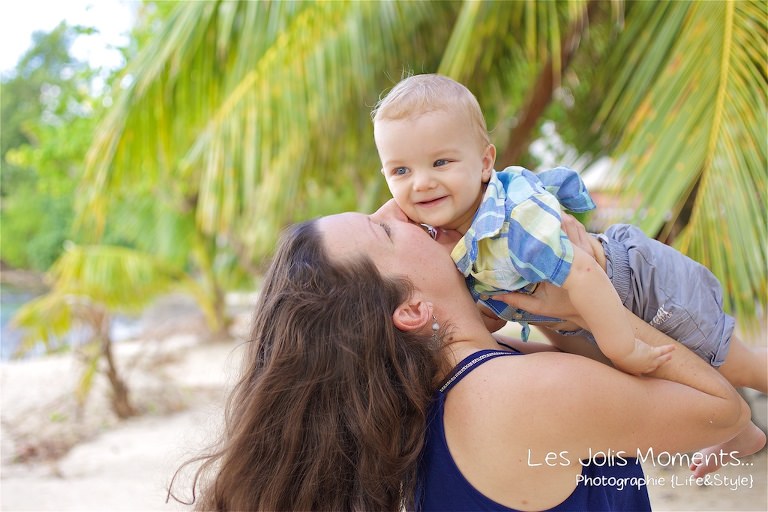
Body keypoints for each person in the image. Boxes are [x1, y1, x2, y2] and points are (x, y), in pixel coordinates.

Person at [169, 199, 750, 511]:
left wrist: (568, 307)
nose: (402, 210)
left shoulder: (462, 382)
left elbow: (605, 388)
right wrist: (590, 307)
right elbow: (723, 411)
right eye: (386, 231)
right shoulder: (514, 397)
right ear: (412, 311)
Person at [371, 74, 766, 474]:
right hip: (591, 315)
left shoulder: (513, 223)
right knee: (690, 378)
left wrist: (622, 347)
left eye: (441, 162)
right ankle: (743, 434)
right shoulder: (454, 232)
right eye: (400, 171)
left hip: (638, 286)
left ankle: (746, 409)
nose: (421, 183)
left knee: (736, 365)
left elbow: (583, 271)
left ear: (485, 162)